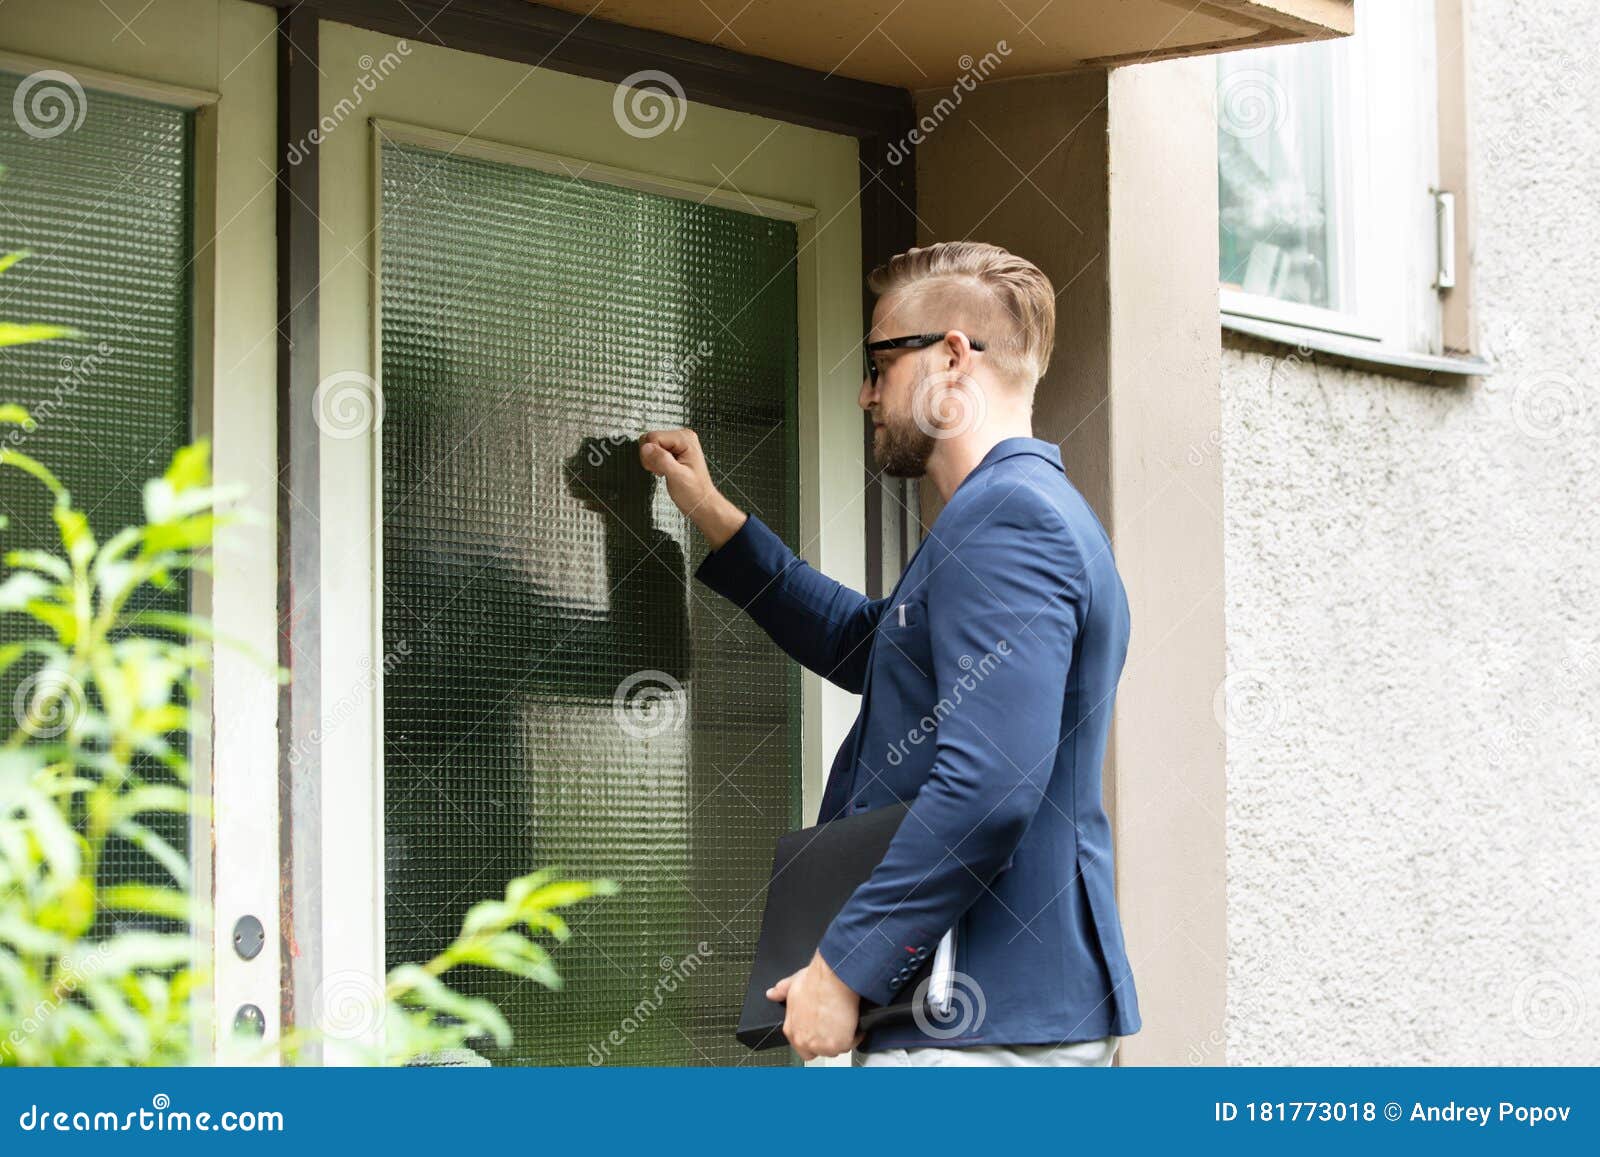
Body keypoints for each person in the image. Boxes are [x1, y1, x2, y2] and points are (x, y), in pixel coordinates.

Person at [640, 241, 1141, 1067]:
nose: (866, 391)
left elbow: (989, 785)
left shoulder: (1007, 518)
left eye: (880, 361)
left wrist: (844, 967)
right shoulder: (1017, 511)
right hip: (988, 1021)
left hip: (975, 1031)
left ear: (952, 356)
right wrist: (714, 514)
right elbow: (868, 646)